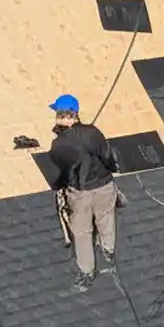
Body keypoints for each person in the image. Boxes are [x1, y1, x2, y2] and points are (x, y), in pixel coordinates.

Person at [48, 94, 121, 292]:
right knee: (106, 219)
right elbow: (107, 157)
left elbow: (58, 177)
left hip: (80, 193)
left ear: (61, 116)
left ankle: (87, 272)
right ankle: (108, 251)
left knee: (81, 232)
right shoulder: (93, 132)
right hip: (104, 186)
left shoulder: (58, 146)